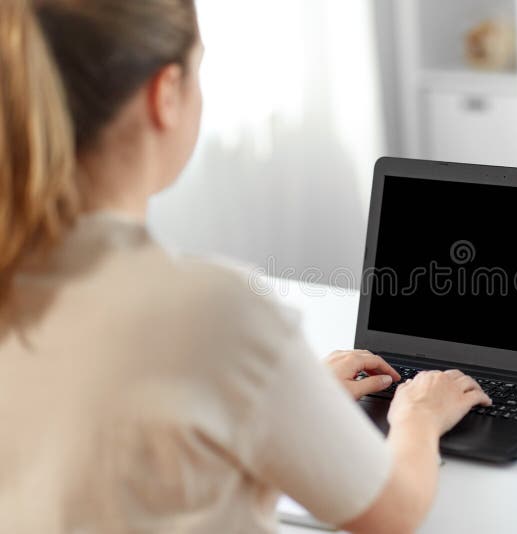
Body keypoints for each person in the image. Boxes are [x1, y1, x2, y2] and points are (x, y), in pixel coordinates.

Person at [0, 1, 492, 532]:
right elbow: (393, 511)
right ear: (165, 94)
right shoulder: (210, 310)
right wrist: (419, 414)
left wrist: (292, 403)